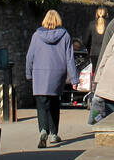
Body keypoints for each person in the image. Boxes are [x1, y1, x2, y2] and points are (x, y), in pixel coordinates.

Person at [26, 9, 77, 147]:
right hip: (57, 73)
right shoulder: (65, 35)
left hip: (39, 73)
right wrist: (74, 79)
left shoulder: (37, 35)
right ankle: (54, 134)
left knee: (42, 104)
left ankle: (43, 130)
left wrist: (29, 73)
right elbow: (69, 58)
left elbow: (30, 56)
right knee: (54, 104)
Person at [80, 7, 111, 71]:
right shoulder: (110, 25)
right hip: (106, 53)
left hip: (94, 53)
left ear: (96, 14)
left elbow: (85, 40)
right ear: (107, 14)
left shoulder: (91, 24)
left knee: (95, 72)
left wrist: (89, 49)